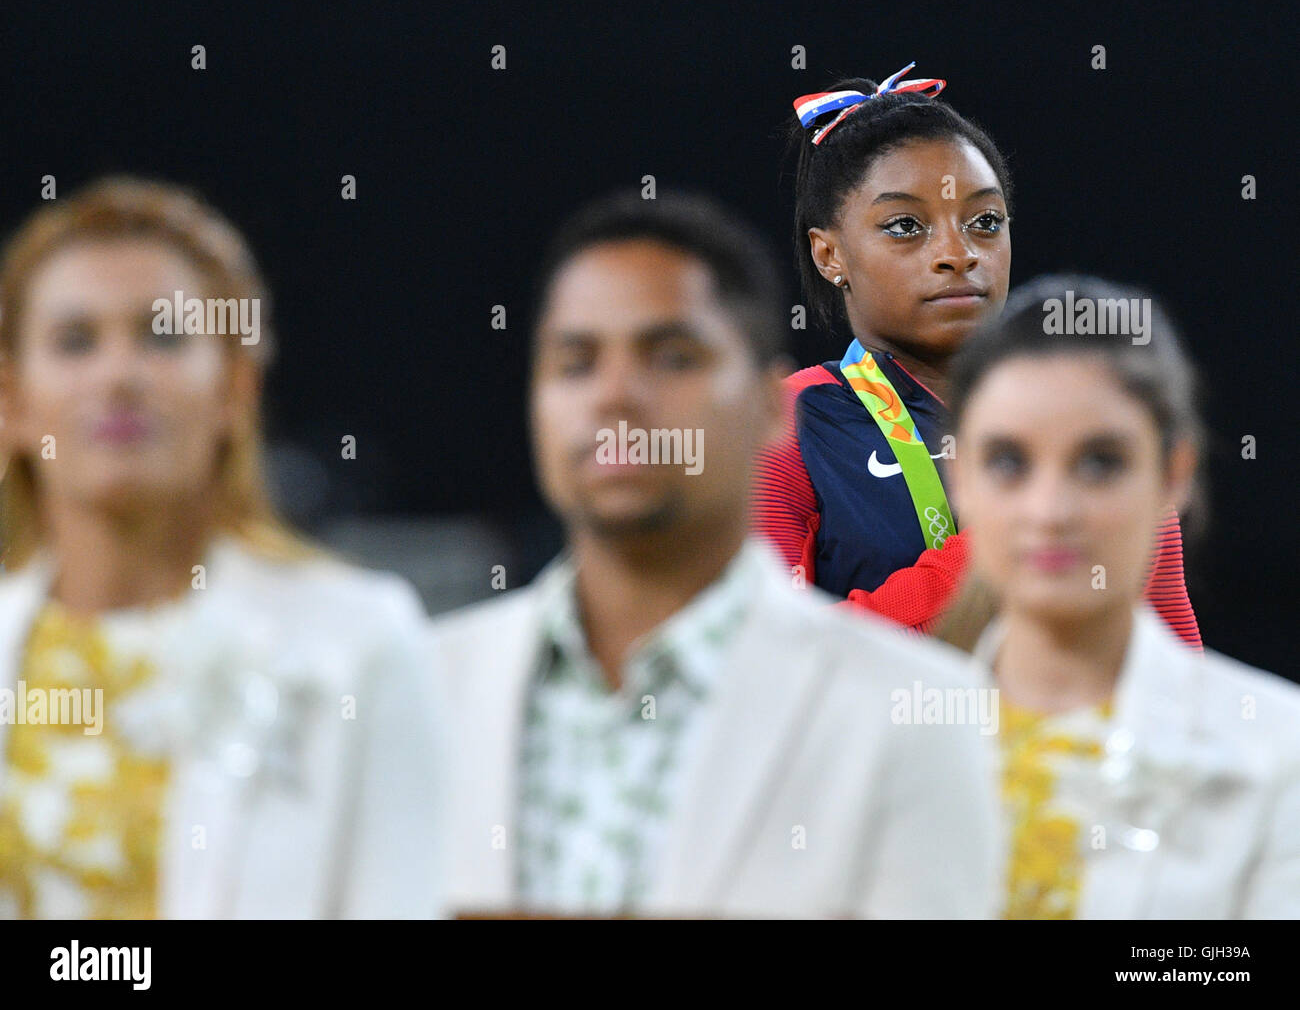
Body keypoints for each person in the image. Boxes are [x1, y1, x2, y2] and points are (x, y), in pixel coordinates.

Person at [413, 189, 1003, 920]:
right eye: (576, 363)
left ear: (769, 408)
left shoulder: (916, 717)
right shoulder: (419, 690)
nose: (616, 395)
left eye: (672, 357)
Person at [0, 176, 435, 919]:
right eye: (76, 341)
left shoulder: (362, 641)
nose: (118, 376)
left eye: (162, 336)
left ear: (235, 388)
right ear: (11, 401)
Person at [753, 63, 1201, 648]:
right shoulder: (787, 426)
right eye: (906, 225)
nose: (957, 253)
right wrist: (1001, 546)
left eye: (985, 221)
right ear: (829, 253)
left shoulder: (1099, 414)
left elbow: (1173, 670)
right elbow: (772, 664)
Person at [939, 274, 1300, 919]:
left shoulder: (1280, 752)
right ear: (958, 477)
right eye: (1008, 462)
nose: (1050, 511)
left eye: (1099, 462)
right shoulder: (863, 736)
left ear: (1173, 477)